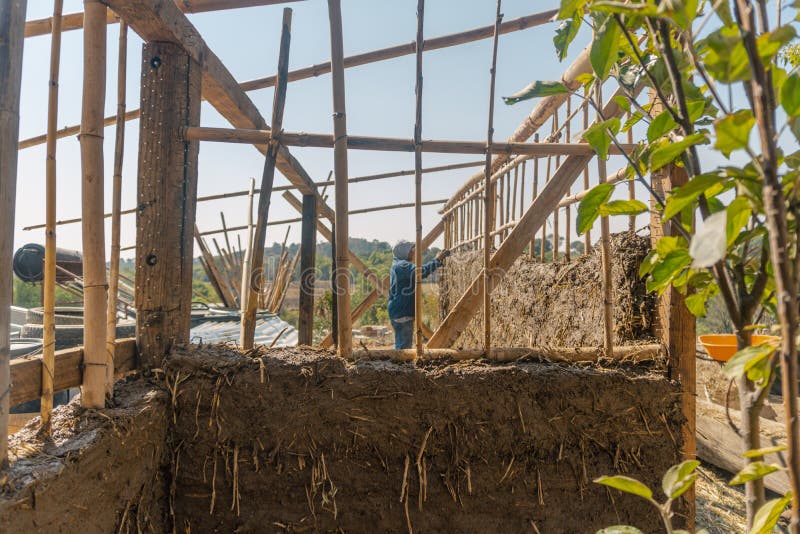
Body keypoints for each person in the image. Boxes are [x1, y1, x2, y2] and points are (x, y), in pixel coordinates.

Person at [388, 241, 450, 349]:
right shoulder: (403, 266)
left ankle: (399, 363)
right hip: (403, 312)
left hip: (398, 311)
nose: (413, 253)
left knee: (400, 343)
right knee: (403, 348)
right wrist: (437, 260)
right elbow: (422, 272)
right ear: (404, 252)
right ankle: (402, 365)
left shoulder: (397, 264)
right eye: (411, 251)